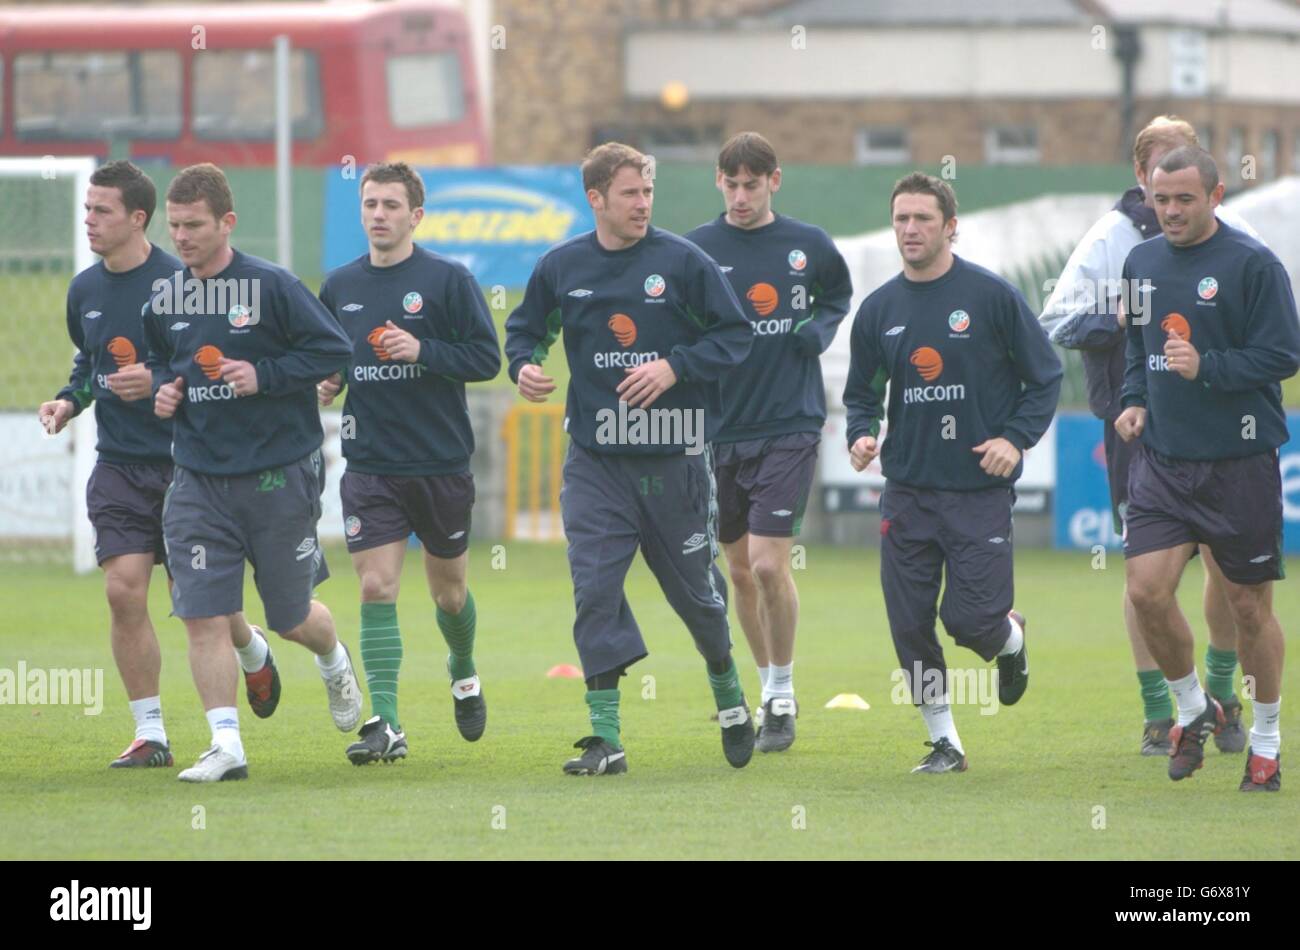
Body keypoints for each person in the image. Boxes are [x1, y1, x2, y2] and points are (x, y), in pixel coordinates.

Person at [504, 142, 755, 775]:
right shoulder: (562, 266)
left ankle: (727, 690)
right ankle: (605, 738)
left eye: (647, 192)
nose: (642, 204)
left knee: (697, 598)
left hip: (674, 459)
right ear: (596, 199)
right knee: (594, 588)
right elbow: (527, 328)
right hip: (595, 462)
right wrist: (524, 365)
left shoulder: (682, 262)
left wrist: (675, 366)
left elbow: (735, 334)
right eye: (629, 194)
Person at [1040, 116, 1261, 755]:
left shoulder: (1237, 235)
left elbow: (1268, 317)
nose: (1171, 194)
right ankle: (1157, 711)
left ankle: (1222, 698)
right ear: (1140, 177)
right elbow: (1055, 318)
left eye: (1184, 175)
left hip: (1223, 429)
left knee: (1226, 569)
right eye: (1159, 177)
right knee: (1144, 581)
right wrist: (1114, 318)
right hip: (1142, 434)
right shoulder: (1114, 239)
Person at [144, 163, 362, 781]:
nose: (181, 237)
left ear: (226, 223)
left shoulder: (272, 286)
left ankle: (333, 659)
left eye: (193, 225)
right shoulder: (166, 297)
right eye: (174, 225)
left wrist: (263, 376)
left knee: (293, 616)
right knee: (202, 613)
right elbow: (164, 362)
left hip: (277, 473)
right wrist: (165, 390)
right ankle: (227, 745)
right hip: (196, 477)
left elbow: (334, 349)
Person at [844, 173, 1062, 773]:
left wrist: (1015, 442)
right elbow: (861, 392)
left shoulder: (991, 297)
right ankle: (946, 741)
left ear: (950, 226)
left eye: (922, 219)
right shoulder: (879, 309)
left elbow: (1045, 377)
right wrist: (860, 435)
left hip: (977, 492)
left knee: (969, 621)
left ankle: (1009, 641)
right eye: (901, 219)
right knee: (909, 623)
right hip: (907, 492)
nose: (910, 229)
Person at [1115, 145, 1299, 791]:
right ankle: (1193, 710)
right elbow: (1138, 350)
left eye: (1183, 199)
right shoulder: (1138, 262)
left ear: (1215, 197)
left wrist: (1209, 368)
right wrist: (1135, 400)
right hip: (1164, 461)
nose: (1169, 211)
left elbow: (1282, 355)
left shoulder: (1252, 264)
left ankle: (1268, 743)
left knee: (1249, 609)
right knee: (1145, 592)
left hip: (1239, 462)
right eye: (1160, 200)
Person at [317, 162, 501, 764]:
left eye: (391, 205)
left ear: (415, 215)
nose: (378, 214)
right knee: (375, 585)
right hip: (369, 462)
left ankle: (464, 667)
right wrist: (327, 382)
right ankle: (387, 723)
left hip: (439, 461)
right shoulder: (339, 286)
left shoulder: (448, 281)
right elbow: (329, 359)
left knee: (449, 595)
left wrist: (423, 350)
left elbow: (485, 359)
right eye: (370, 203)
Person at [684, 131, 852, 752]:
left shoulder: (808, 246)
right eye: (730, 184)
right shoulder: (696, 251)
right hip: (721, 430)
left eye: (752, 184)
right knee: (737, 572)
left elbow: (837, 294)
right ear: (718, 182)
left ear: (774, 181)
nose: (740, 195)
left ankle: (782, 693)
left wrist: (820, 328)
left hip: (790, 424)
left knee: (766, 562)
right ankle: (764, 685)